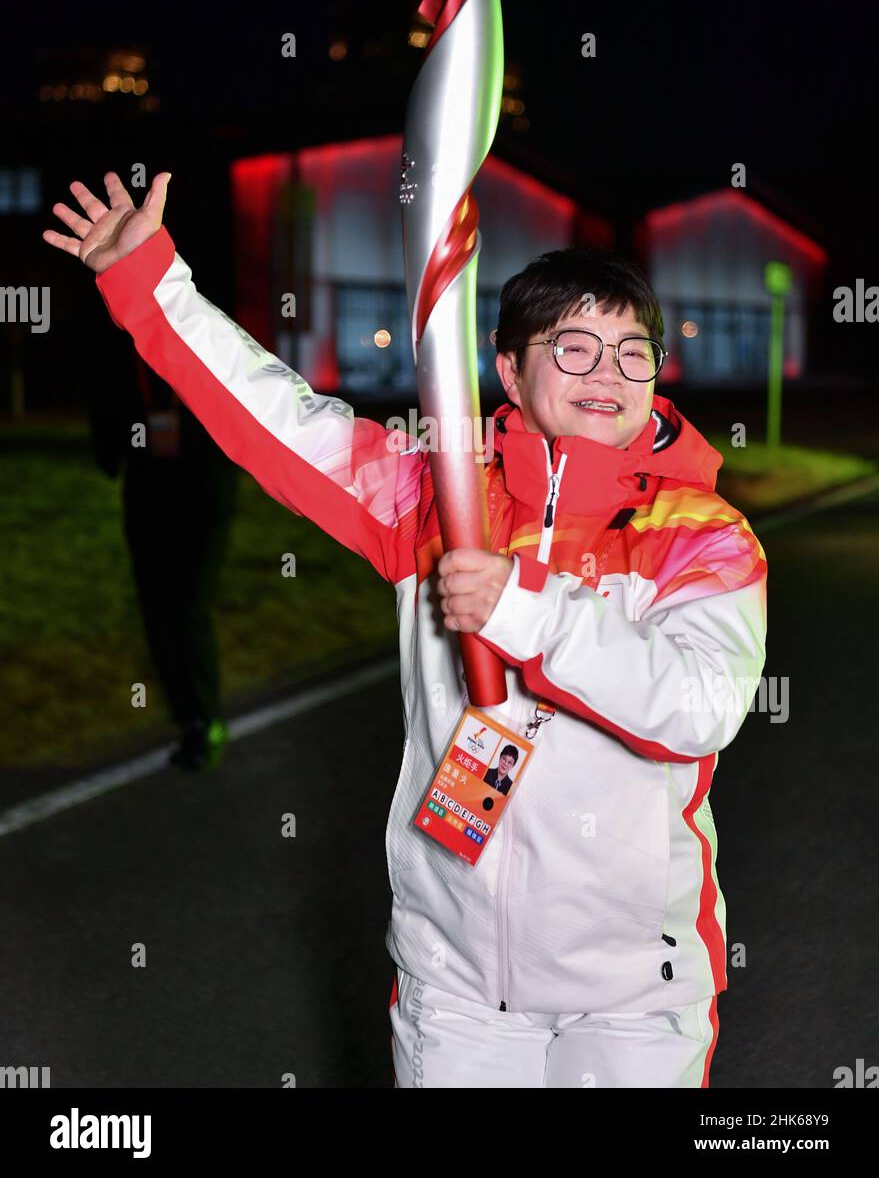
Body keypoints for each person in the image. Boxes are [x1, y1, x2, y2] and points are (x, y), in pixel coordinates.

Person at [43, 171, 767, 1089]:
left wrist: (525, 606)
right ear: (508, 369)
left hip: (631, 994)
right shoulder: (433, 491)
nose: (608, 375)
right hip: (454, 984)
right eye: (573, 348)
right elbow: (279, 419)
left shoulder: (699, 534)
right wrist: (150, 285)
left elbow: (696, 708)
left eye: (633, 353)